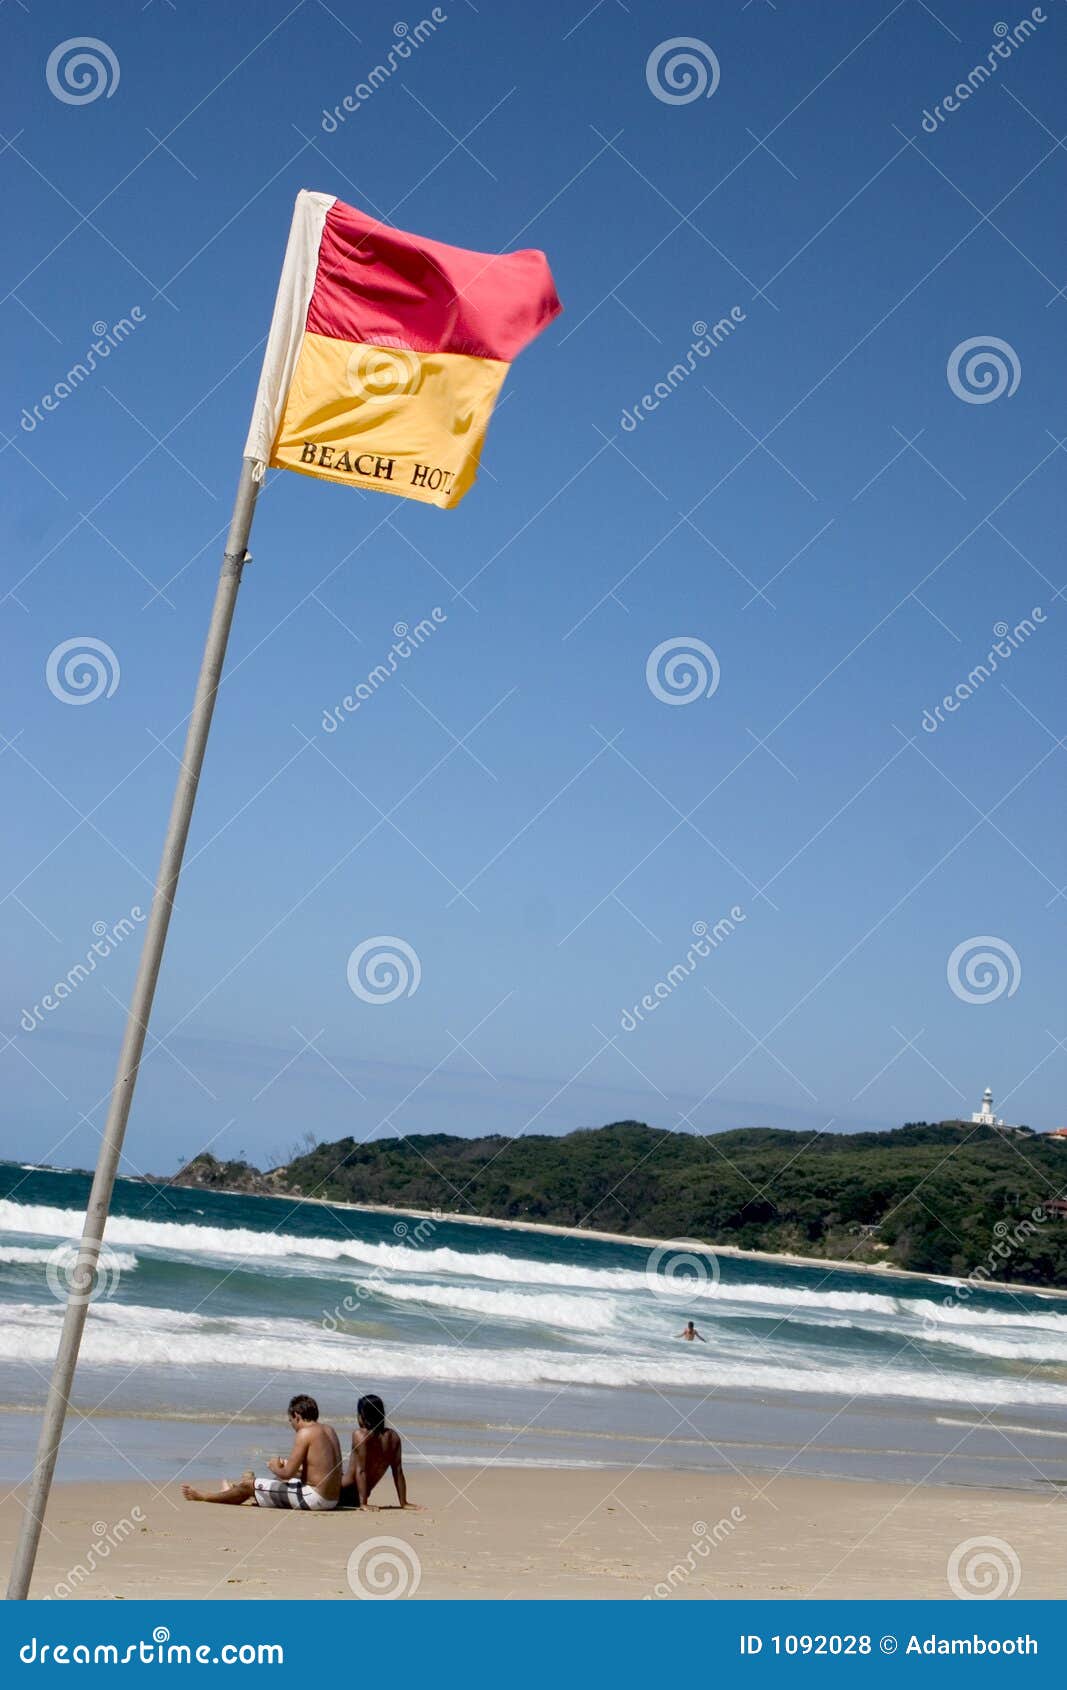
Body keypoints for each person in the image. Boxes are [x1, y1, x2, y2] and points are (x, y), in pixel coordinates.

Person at [181, 1393, 342, 1510]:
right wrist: (295, 1470)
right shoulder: (329, 1430)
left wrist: (274, 1465)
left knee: (251, 1485)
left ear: (297, 1416)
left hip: (315, 1499)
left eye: (291, 1421)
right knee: (278, 1484)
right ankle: (232, 1491)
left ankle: (205, 1496)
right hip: (332, 1499)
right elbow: (322, 1470)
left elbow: (285, 1473)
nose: (292, 1425)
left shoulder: (305, 1433)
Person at [340, 1394, 419, 1510]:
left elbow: (361, 1471)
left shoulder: (360, 1435)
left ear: (363, 1415)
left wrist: (363, 1504)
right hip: (359, 1497)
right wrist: (404, 1502)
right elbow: (398, 1472)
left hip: (342, 1492)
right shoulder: (393, 1437)